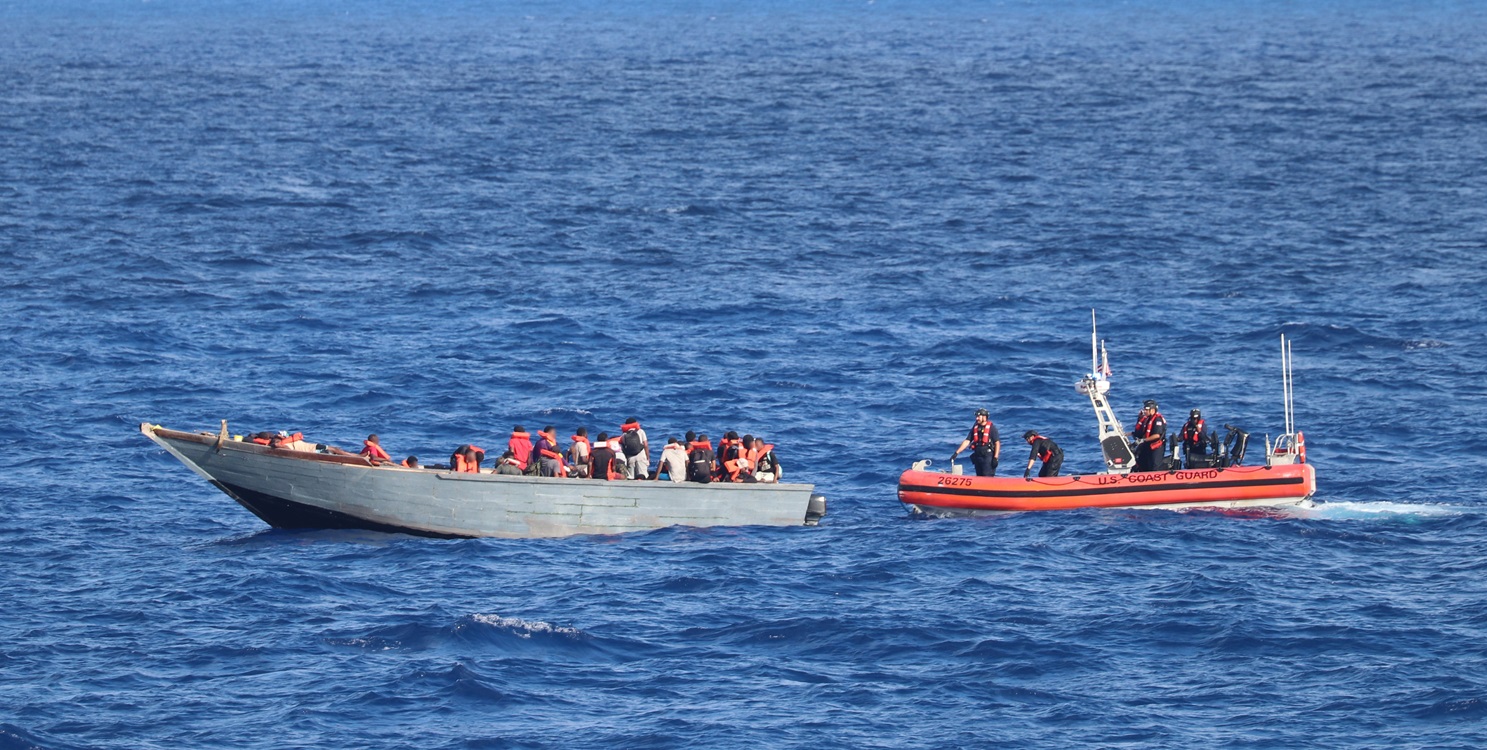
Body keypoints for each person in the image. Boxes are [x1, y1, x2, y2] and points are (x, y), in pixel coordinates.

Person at [950, 409, 1001, 477]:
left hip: (987, 457)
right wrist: (956, 453)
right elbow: (967, 441)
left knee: (987, 476)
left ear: (984, 417)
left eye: (978, 417)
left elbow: (997, 443)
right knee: (979, 476)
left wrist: (995, 458)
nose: (977, 418)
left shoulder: (992, 428)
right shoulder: (975, 427)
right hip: (978, 456)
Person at [1130, 399, 1167, 472]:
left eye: (1146, 410)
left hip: (1156, 447)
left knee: (1154, 465)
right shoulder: (1147, 419)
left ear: (1152, 410)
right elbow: (1141, 432)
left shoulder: (1157, 420)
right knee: (1141, 461)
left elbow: (1157, 435)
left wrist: (1143, 440)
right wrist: (1130, 434)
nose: (1145, 411)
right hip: (1148, 445)